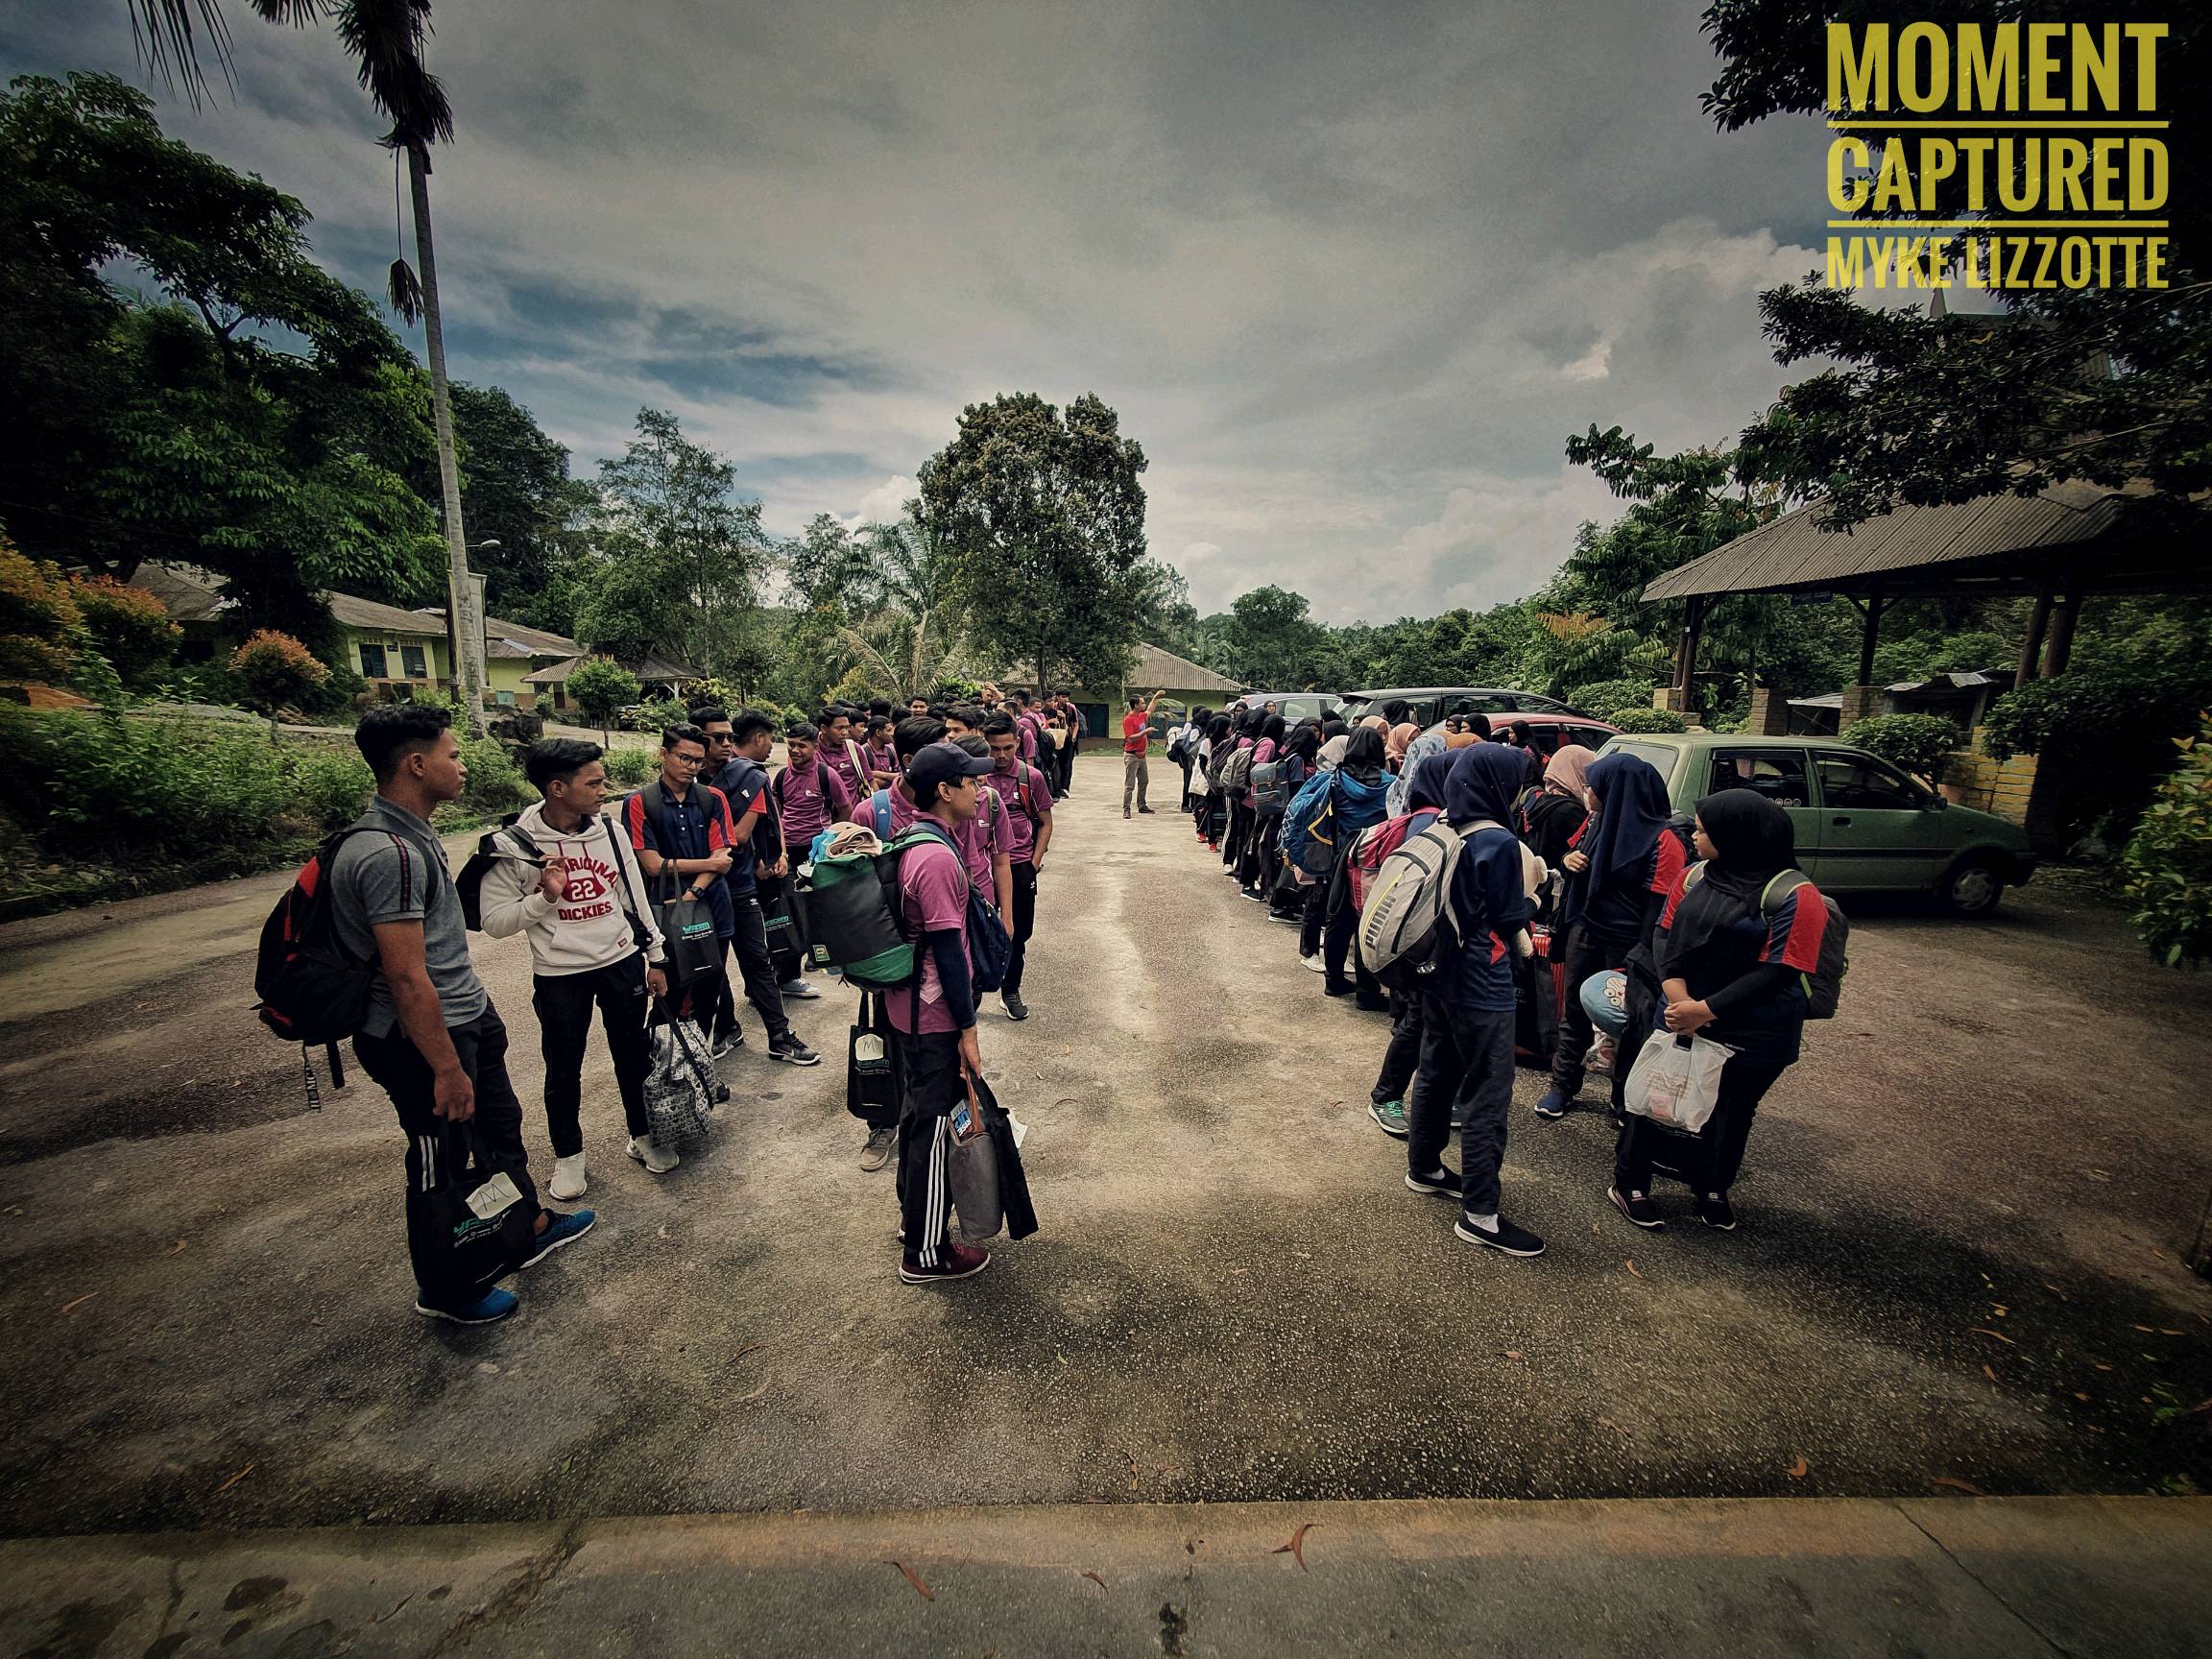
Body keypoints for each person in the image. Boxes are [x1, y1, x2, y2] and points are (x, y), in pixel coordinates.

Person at [333, 704, 590, 1326]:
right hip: (421, 1040)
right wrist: (446, 1068)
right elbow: (404, 976)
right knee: (439, 1161)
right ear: (417, 765)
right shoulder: (387, 853)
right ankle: (446, 1288)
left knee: (499, 1128)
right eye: (453, 753)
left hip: (465, 1019)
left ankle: (526, 1226)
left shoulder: (416, 832)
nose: (463, 763)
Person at [1610, 790, 1829, 1232]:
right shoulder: (1694, 878)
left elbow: (1783, 969)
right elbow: (1663, 935)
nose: (1694, 834)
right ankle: (1631, 1181)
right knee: (1656, 1098)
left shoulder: (1796, 896)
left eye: (1704, 830)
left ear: (1738, 836)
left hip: (1755, 1027)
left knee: (1732, 1109)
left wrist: (1705, 1009)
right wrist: (1677, 996)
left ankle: (1712, 1185)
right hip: (1680, 1012)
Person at [481, 739, 674, 1193]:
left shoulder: (609, 831)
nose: (604, 790)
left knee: (632, 1056)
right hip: (559, 975)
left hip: (620, 962)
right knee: (563, 1067)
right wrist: (545, 898)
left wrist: (655, 955)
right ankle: (569, 1156)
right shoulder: (516, 844)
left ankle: (641, 1136)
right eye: (594, 782)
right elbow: (493, 923)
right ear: (557, 788)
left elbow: (633, 895)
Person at [1402, 742, 1544, 1259]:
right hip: (1483, 984)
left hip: (1436, 974)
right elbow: (1509, 917)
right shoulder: (1499, 841)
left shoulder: (1438, 827)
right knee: (1488, 1091)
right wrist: (1534, 895)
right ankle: (1481, 1214)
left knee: (1436, 1070)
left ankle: (1425, 1167)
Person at [627, 725, 819, 1069]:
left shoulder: (712, 799)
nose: (691, 767)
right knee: (681, 982)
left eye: (697, 761)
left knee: (742, 967)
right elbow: (653, 865)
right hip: (672, 910)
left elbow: (725, 855)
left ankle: (770, 1038)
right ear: (663, 755)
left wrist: (697, 886)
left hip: (718, 899)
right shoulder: (641, 802)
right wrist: (707, 868)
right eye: (684, 758)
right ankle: (677, 1063)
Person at [888, 741, 998, 1285]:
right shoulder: (933, 857)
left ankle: (915, 1222)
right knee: (934, 1131)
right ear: (944, 791)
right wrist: (968, 1027)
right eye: (971, 782)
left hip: (912, 1008)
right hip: (931, 1015)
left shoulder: (924, 839)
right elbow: (949, 952)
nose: (980, 789)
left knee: (916, 1118)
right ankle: (925, 1253)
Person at [1534, 749, 1679, 1122]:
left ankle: (1623, 1096)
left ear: (1616, 791)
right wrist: (1569, 863)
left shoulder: (1664, 840)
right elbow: (1574, 855)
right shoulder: (1597, 821)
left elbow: (1660, 906)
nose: (1587, 792)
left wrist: (1642, 956)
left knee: (1630, 1022)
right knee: (1575, 1011)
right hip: (1586, 928)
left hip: (1630, 943)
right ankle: (1563, 1085)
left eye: (1593, 786)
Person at [846, 713, 950, 1170]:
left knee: (931, 1058)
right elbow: (848, 894)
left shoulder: (950, 811)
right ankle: (881, 1124)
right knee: (881, 1046)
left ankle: (926, 1128)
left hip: (930, 969)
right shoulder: (873, 813)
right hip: (884, 962)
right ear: (910, 762)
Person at [698, 707, 817, 1004]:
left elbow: (773, 817)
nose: (726, 744)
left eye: (729, 737)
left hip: (764, 864)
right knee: (740, 947)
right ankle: (740, 1011)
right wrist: (757, 863)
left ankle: (783, 982)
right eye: (720, 737)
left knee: (778, 925)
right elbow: (737, 834)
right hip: (735, 873)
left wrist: (782, 853)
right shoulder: (713, 777)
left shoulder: (750, 773)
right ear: (760, 738)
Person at [1367, 749, 1455, 1137]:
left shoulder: (1452, 820)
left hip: (1443, 949)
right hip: (1424, 947)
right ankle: (1387, 1096)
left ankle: (1434, 1097)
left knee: (1440, 1030)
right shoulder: (1428, 824)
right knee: (1416, 1024)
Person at [1290, 726, 1390, 984]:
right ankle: (1367, 987)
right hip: (1376, 860)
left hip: (1340, 856)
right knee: (1368, 921)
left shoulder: (1336, 780)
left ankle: (1333, 979)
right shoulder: (1390, 784)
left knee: (1338, 918)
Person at [982, 712, 1053, 1021]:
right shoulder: (974, 777)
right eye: (994, 748)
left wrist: (1034, 864)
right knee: (976, 930)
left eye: (1008, 748)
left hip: (1020, 865)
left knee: (1018, 933)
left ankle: (1010, 990)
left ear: (1018, 743)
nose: (1001, 755)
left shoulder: (1031, 778)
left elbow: (1046, 823)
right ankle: (972, 992)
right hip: (983, 869)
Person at [1236, 714, 1286, 899]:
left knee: (1253, 838)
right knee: (1254, 840)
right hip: (1257, 800)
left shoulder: (1263, 740)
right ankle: (1247, 882)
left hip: (1255, 799)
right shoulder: (1269, 744)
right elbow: (1257, 768)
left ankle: (1248, 879)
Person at [1121, 688, 1165, 817]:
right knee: (1130, 785)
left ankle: (1141, 805)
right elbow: (1129, 738)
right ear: (1135, 705)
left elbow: (1150, 709)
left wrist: (1156, 697)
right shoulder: (1128, 719)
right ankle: (1126, 809)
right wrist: (1145, 732)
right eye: (1142, 703)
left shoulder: (1141, 716)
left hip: (1141, 755)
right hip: (1132, 755)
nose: (1144, 705)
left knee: (1144, 781)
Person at [821, 707, 870, 804]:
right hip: (825, 816)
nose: (844, 733)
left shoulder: (854, 749)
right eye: (839, 728)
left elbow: (870, 780)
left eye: (847, 728)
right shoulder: (812, 752)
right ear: (824, 729)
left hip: (854, 813)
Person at [862, 715, 901, 789]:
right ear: (878, 732)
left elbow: (901, 776)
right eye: (889, 730)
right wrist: (891, 778)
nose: (892, 733)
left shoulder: (891, 750)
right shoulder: (863, 752)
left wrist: (881, 775)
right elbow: (865, 782)